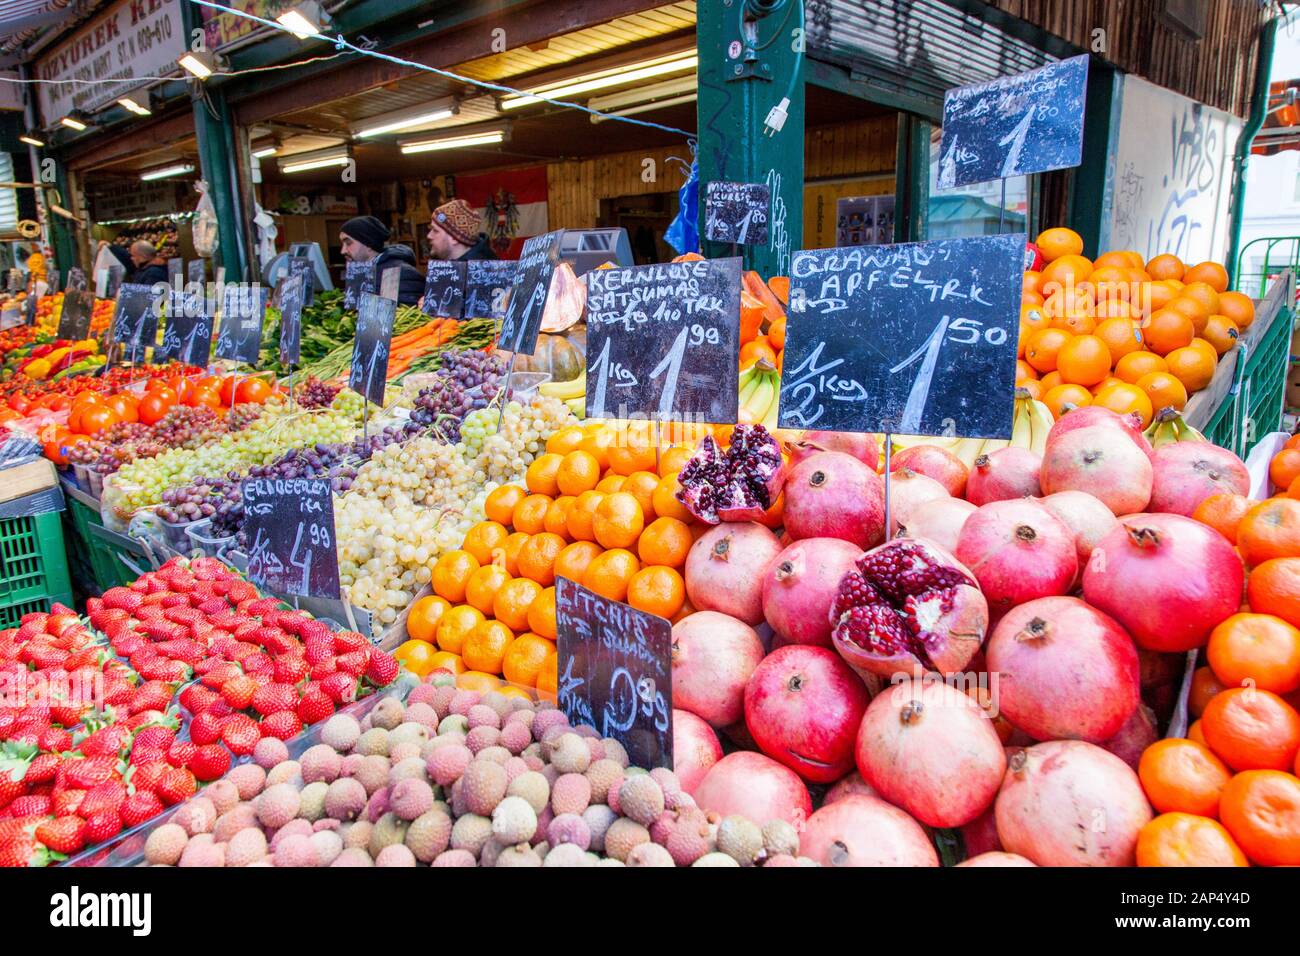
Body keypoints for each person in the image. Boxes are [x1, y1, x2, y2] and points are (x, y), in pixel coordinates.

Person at [338, 215, 423, 306]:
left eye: (348, 243)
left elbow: (406, 315)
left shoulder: (399, 273)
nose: (343, 251)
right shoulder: (360, 274)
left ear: (368, 244)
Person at [427, 199, 497, 261]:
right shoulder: (445, 268)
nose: (429, 235)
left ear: (454, 238)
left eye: (435, 230)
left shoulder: (484, 273)